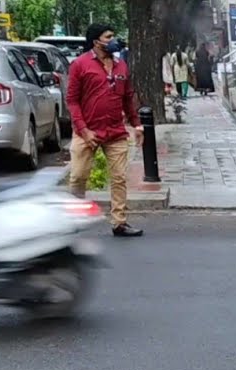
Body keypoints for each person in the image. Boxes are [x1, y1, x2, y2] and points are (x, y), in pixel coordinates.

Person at [67, 23, 144, 238]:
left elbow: (128, 98)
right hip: (87, 132)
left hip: (115, 132)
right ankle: (73, 220)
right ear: (96, 42)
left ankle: (119, 222)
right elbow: (72, 101)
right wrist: (83, 129)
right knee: (78, 177)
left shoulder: (121, 66)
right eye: (109, 37)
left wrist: (136, 124)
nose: (114, 40)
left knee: (119, 178)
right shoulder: (80, 65)